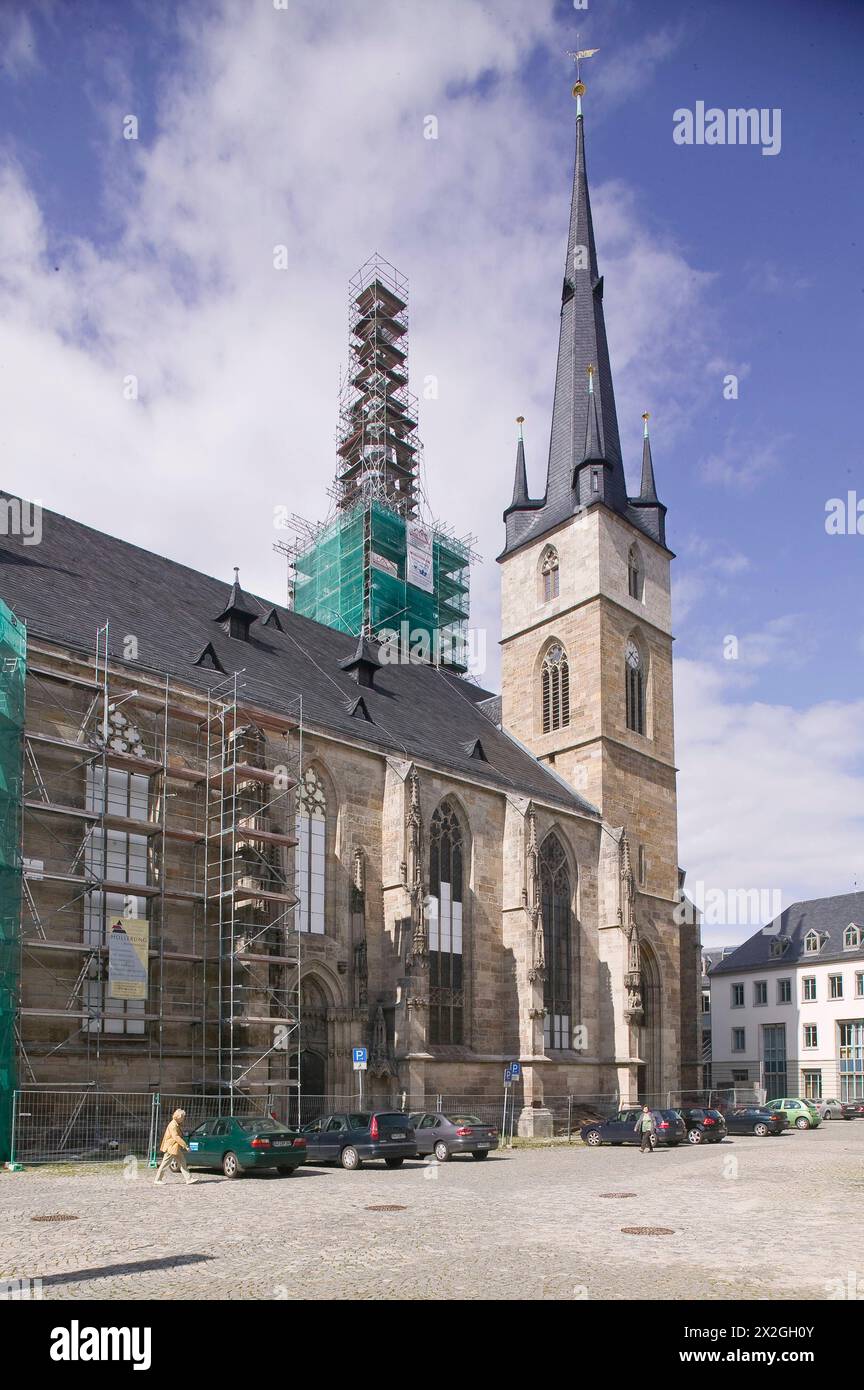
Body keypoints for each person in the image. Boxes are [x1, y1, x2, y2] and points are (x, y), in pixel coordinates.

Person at [154, 1108, 197, 1185]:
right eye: (183, 1117)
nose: (183, 1119)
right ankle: (157, 1179)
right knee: (165, 1164)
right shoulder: (173, 1125)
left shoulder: (175, 1124)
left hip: (174, 1147)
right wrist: (185, 1146)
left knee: (182, 1162)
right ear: (179, 1117)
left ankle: (189, 1179)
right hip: (171, 1147)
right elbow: (176, 1137)